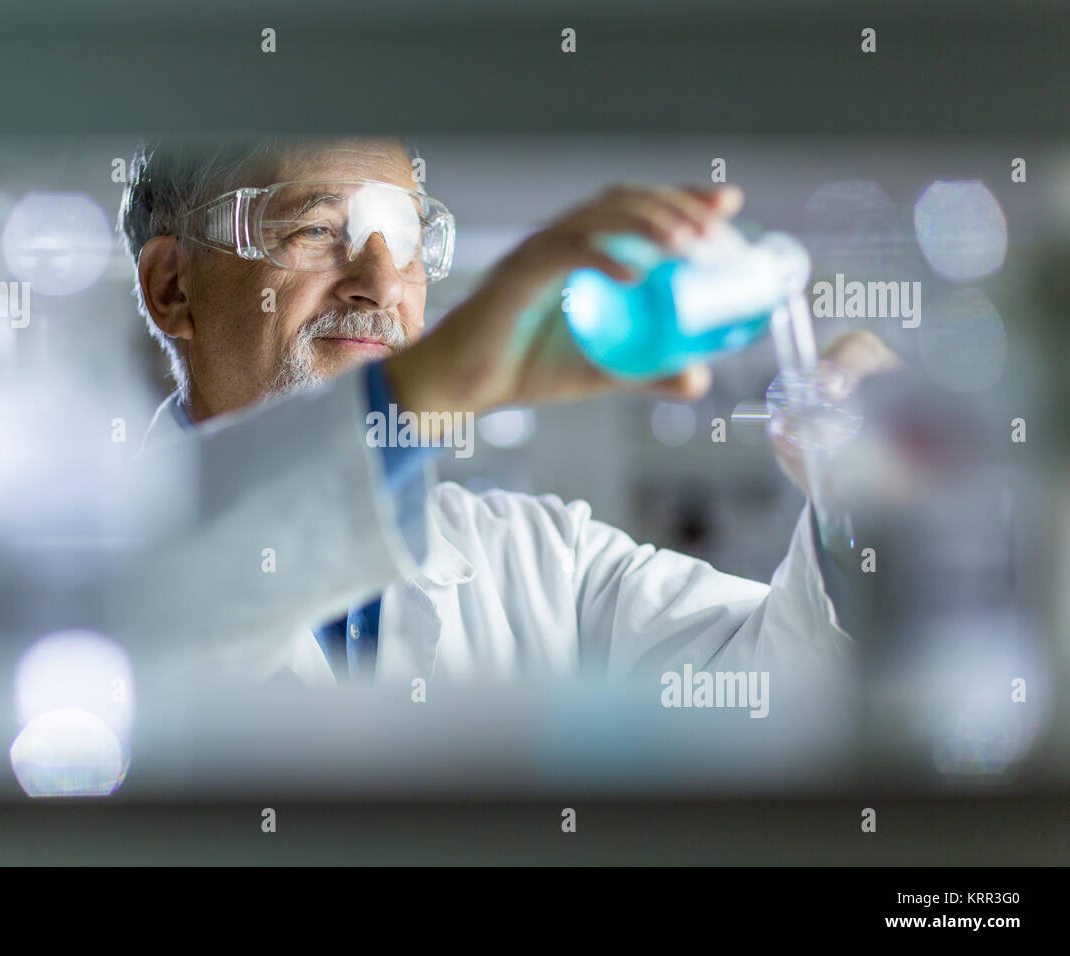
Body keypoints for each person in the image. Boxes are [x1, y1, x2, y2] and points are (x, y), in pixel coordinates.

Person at [115, 135, 899, 691]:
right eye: (317, 230)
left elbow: (774, 695)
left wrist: (857, 509)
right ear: (172, 289)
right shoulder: (87, 556)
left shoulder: (543, 564)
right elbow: (179, 597)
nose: (382, 285)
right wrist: (440, 382)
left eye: (405, 240)